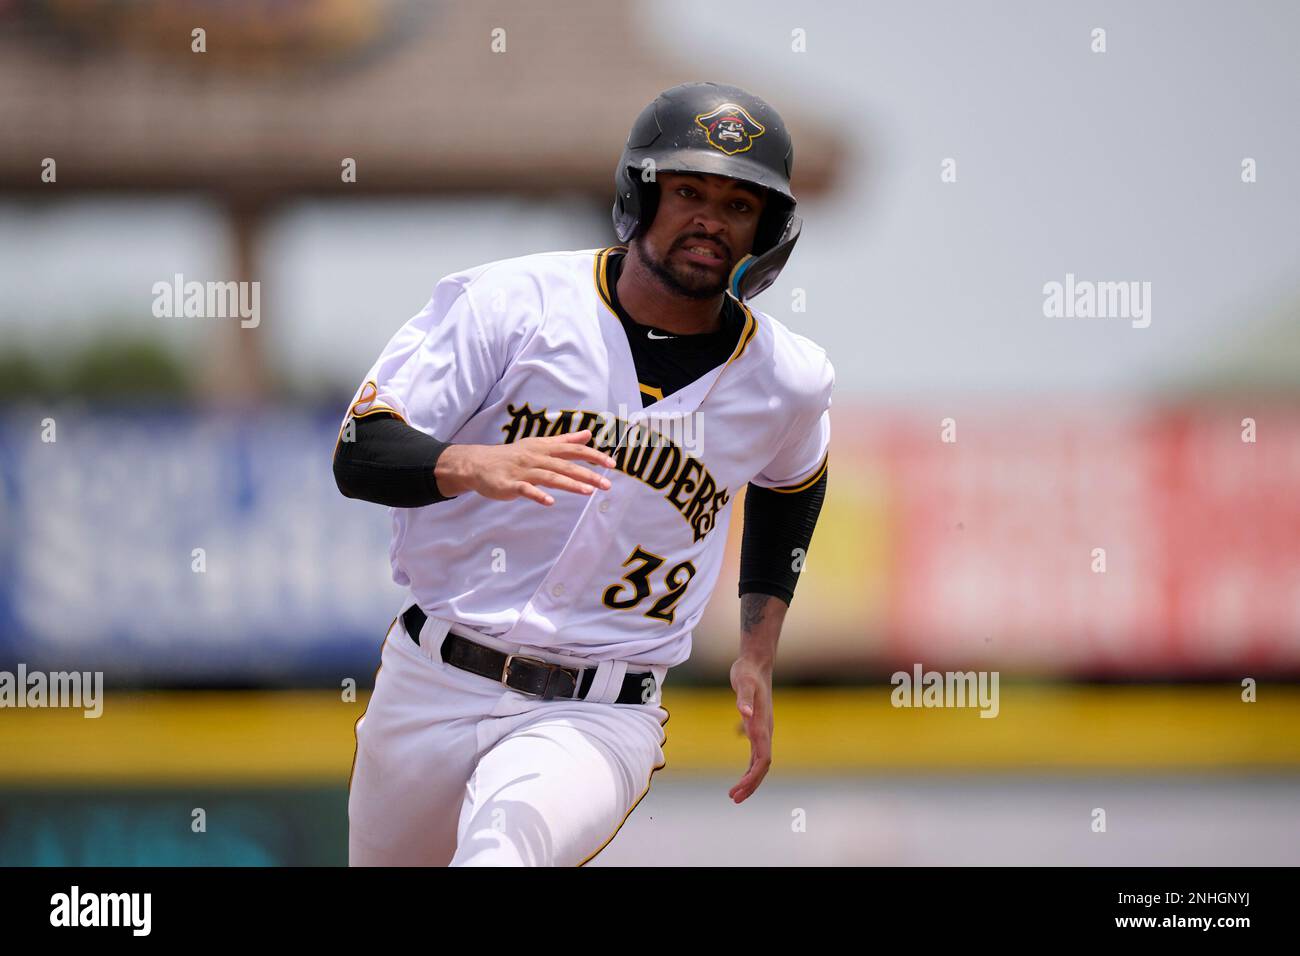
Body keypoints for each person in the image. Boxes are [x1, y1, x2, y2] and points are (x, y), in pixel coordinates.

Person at [334, 81, 833, 866]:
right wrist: (470, 462)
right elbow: (360, 449)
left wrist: (757, 650)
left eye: (739, 206)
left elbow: (793, 484)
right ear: (640, 196)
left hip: (596, 713)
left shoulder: (787, 379)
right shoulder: (510, 304)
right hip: (432, 681)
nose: (710, 218)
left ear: (766, 232)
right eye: (688, 191)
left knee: (504, 855)